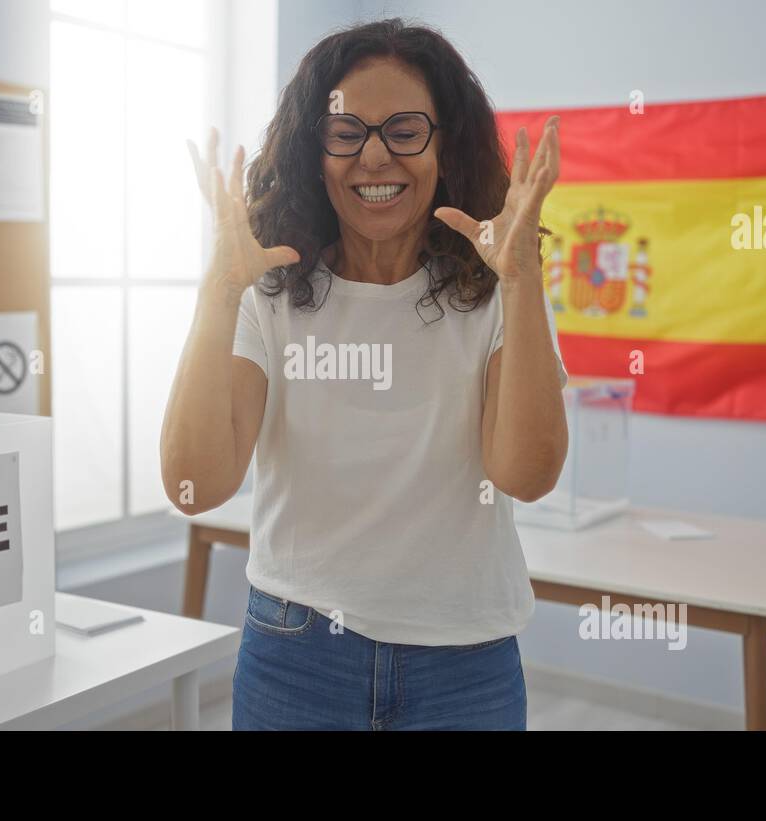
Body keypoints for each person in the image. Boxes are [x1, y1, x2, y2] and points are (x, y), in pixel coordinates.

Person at [161, 18, 569, 730]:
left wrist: (525, 282)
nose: (374, 158)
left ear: (445, 146)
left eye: (405, 129)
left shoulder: (498, 288)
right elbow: (195, 482)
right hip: (296, 651)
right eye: (346, 132)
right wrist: (218, 290)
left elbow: (526, 474)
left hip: (463, 660)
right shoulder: (271, 290)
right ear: (314, 150)